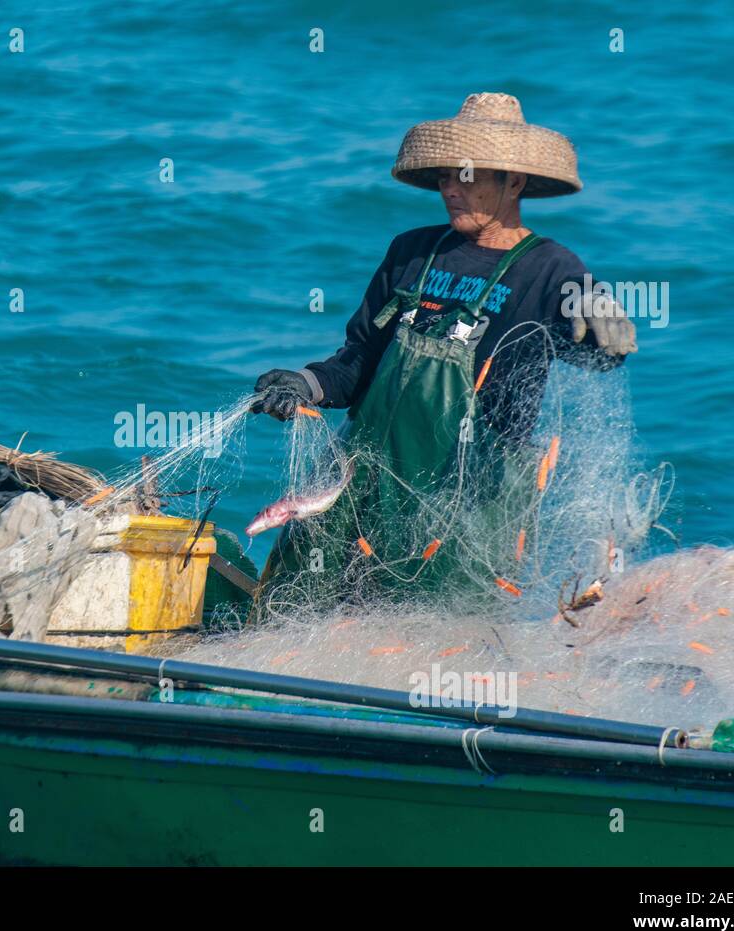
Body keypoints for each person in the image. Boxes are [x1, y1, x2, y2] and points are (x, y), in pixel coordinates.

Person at [251, 92, 638, 610]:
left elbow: (594, 346)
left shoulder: (550, 270)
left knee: (432, 645)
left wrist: (602, 322)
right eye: (444, 177)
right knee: (291, 610)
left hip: (465, 509)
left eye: (469, 176)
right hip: (359, 485)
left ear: (514, 181)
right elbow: (359, 362)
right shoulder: (411, 251)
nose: (452, 189)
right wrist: (306, 384)